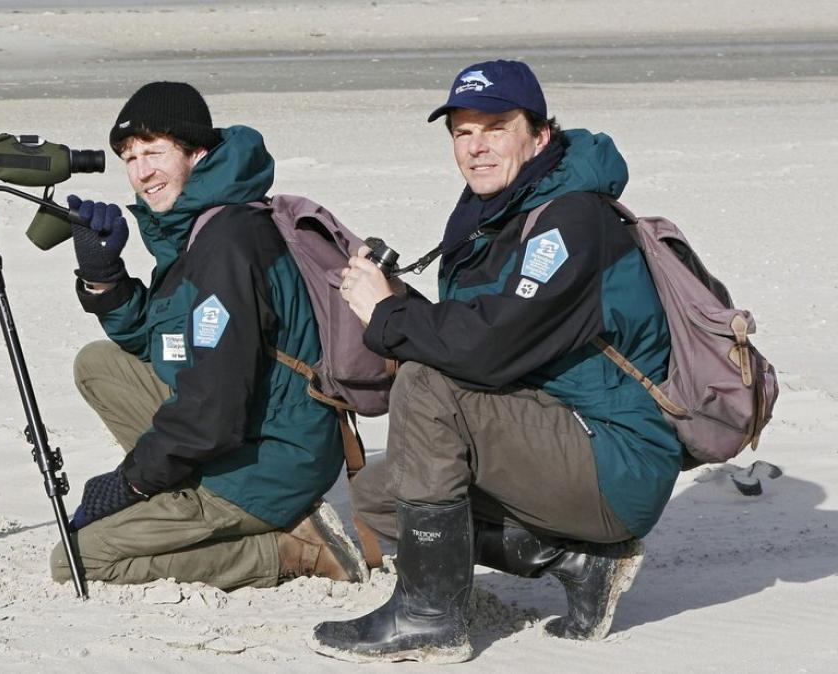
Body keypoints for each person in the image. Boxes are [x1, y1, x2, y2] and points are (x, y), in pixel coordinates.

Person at [311, 60, 683, 662]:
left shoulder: (571, 220)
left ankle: (429, 617)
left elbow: (491, 348)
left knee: (429, 384)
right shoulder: (502, 209)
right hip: (555, 428)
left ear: (539, 135)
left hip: (617, 456)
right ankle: (581, 562)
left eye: (495, 127)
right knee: (382, 497)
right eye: (463, 131)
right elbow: (495, 330)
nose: (476, 147)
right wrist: (401, 303)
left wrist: (389, 317)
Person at [48, 81, 367, 590]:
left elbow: (211, 415)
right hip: (246, 430)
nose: (141, 172)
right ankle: (182, 486)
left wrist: (129, 483)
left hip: (269, 460)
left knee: (80, 561)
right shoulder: (198, 225)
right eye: (130, 157)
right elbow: (163, 341)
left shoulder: (226, 244)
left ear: (197, 152)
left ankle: (292, 548)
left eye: (155, 152)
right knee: (98, 364)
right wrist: (104, 278)